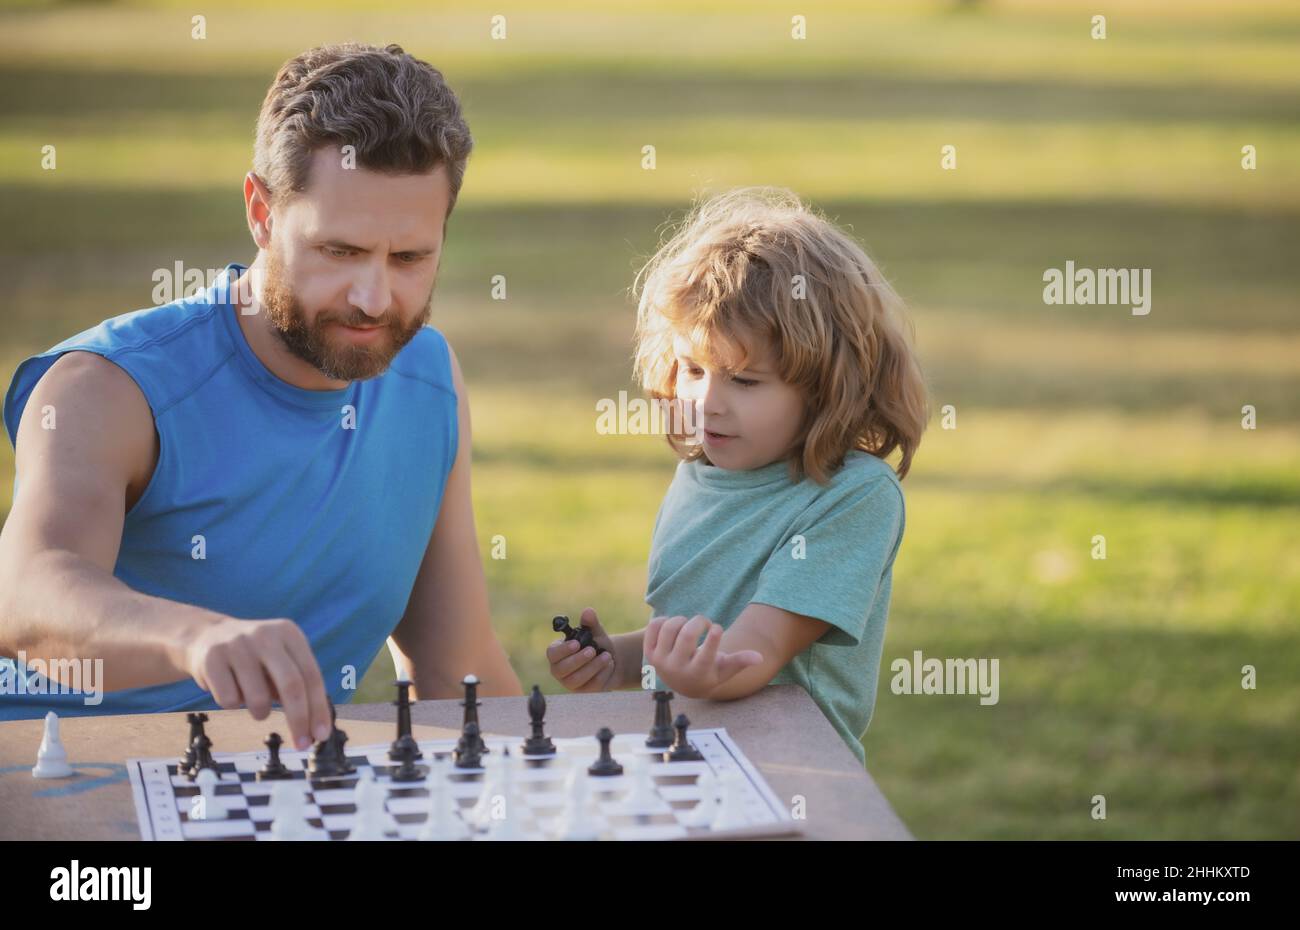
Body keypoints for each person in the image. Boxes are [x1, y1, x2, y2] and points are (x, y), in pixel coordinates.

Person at [0, 43, 521, 751]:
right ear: (261, 212)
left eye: (409, 258)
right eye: (340, 251)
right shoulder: (107, 387)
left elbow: (456, 667)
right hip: (51, 793)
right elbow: (25, 599)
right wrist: (194, 637)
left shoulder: (427, 379)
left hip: (268, 800)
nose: (374, 299)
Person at [546, 187, 929, 764]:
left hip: (790, 769)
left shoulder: (853, 496)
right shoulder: (700, 475)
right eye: (693, 369)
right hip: (687, 756)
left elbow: (750, 654)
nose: (706, 403)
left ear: (828, 386)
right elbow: (694, 640)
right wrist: (616, 661)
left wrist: (688, 670)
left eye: (745, 381)